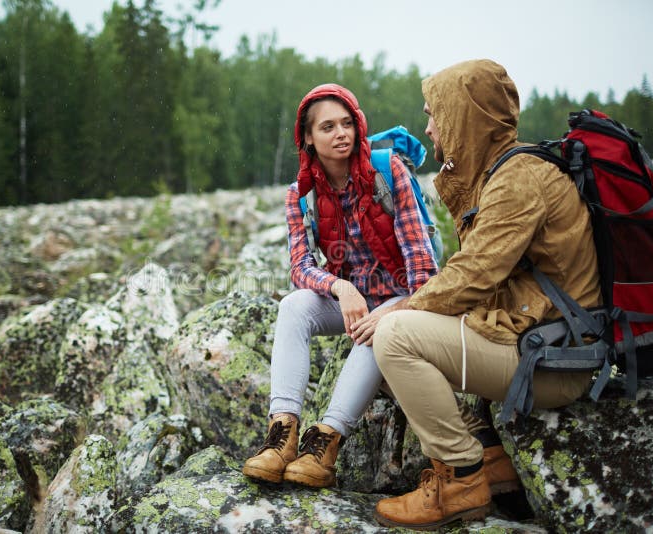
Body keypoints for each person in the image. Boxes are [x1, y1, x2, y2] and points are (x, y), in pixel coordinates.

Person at [370, 59, 601, 529]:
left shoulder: (518, 180)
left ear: (464, 115)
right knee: (394, 325)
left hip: (555, 365)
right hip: (540, 346)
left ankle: (460, 477)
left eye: (435, 114)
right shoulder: (498, 172)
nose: (429, 127)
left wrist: (402, 307)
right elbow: (480, 279)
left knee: (394, 336)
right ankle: (491, 455)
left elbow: (473, 275)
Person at [242, 83, 438, 488]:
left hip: (407, 297)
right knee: (294, 306)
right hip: (353, 295)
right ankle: (282, 434)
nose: (341, 134)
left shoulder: (388, 171)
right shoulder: (300, 194)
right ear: (308, 137)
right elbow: (300, 266)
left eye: (347, 123)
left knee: (374, 330)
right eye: (327, 127)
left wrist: (397, 310)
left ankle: (326, 442)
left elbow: (422, 264)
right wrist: (340, 288)